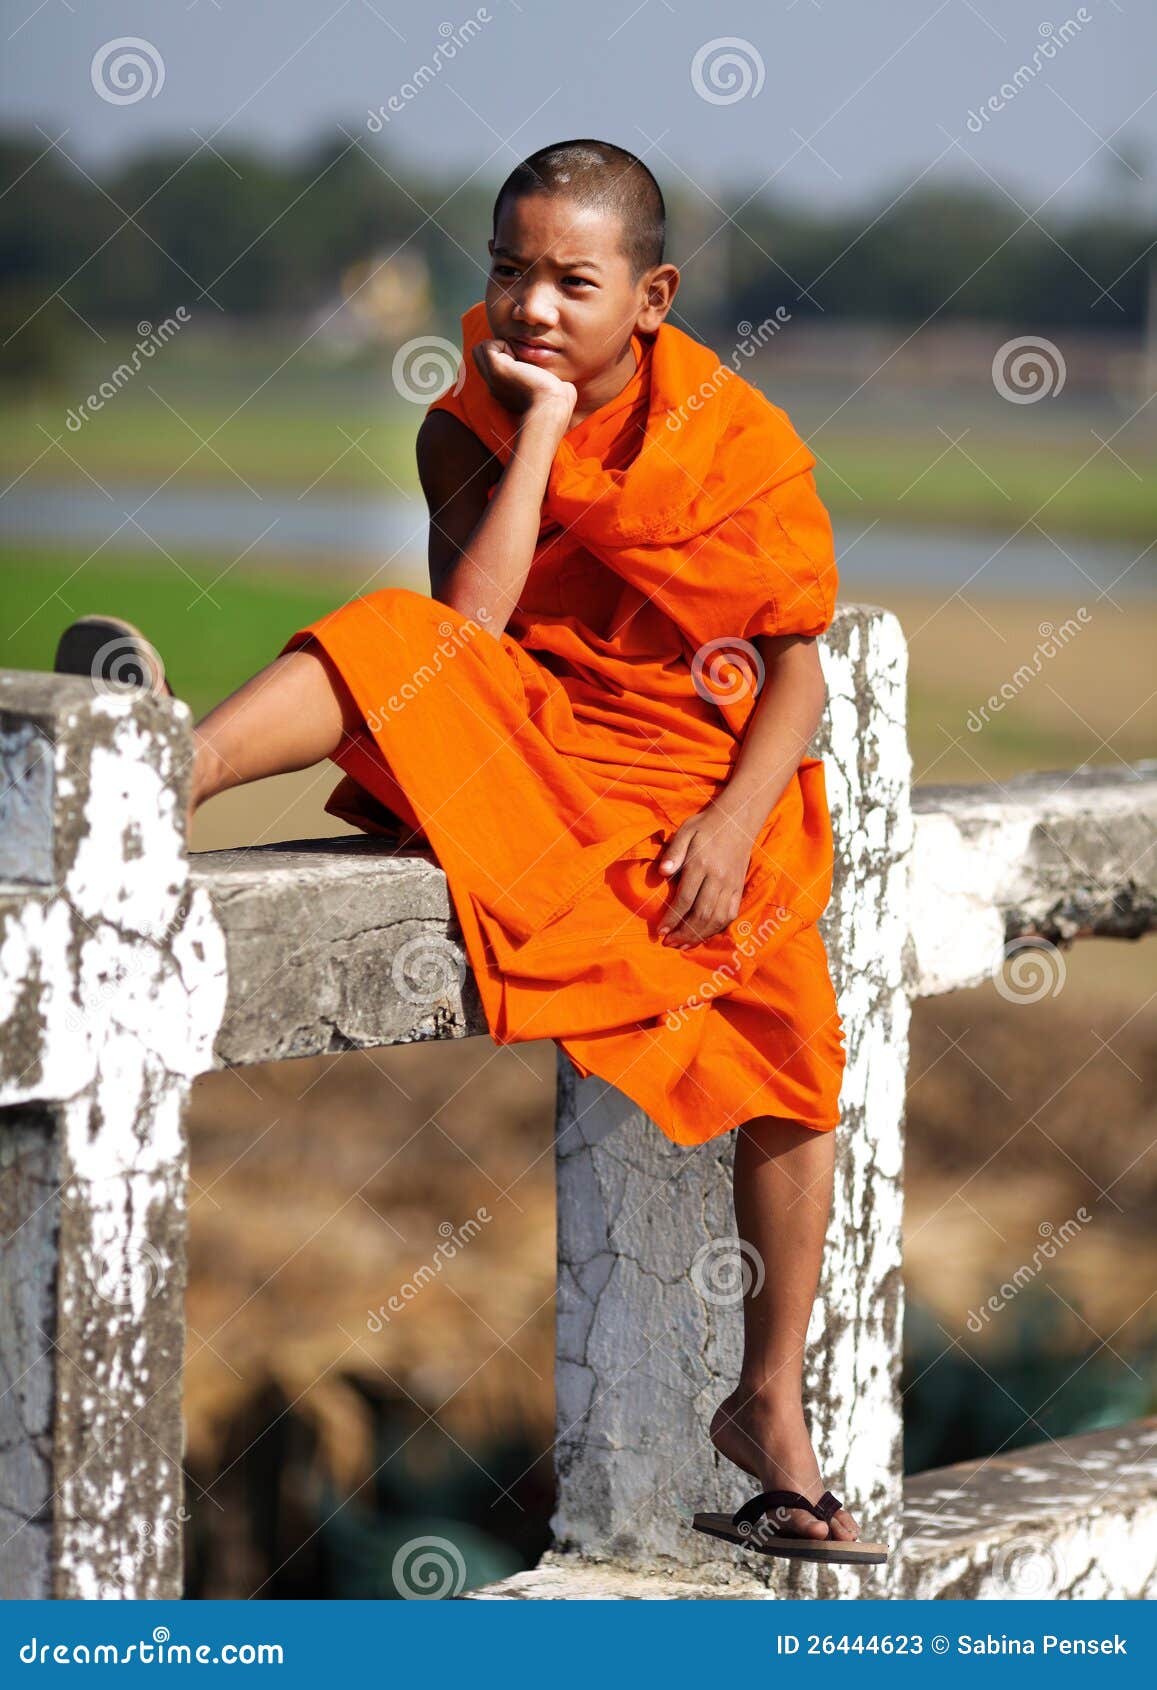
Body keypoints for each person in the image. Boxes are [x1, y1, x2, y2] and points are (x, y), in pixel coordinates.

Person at [53, 138, 861, 1554]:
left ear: (652, 294)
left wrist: (735, 822)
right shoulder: (460, 427)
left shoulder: (733, 444)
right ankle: (164, 772)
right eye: (507, 274)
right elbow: (463, 642)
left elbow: (795, 668)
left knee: (792, 1033)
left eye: (572, 280)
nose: (533, 306)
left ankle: (768, 1401)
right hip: (534, 741)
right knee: (385, 632)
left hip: (690, 776)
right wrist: (536, 429)